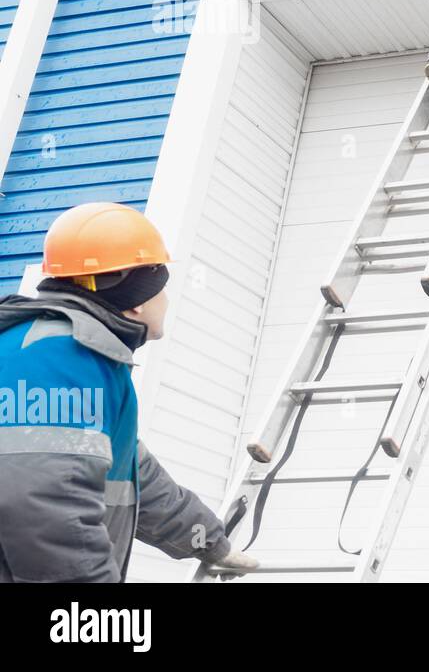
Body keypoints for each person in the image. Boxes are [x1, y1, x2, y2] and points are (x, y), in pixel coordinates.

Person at [0, 202, 258, 582]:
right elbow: (47, 509)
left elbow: (130, 471)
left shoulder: (72, 354)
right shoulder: (63, 357)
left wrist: (210, 542)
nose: (167, 300)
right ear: (137, 300)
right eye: (162, 288)